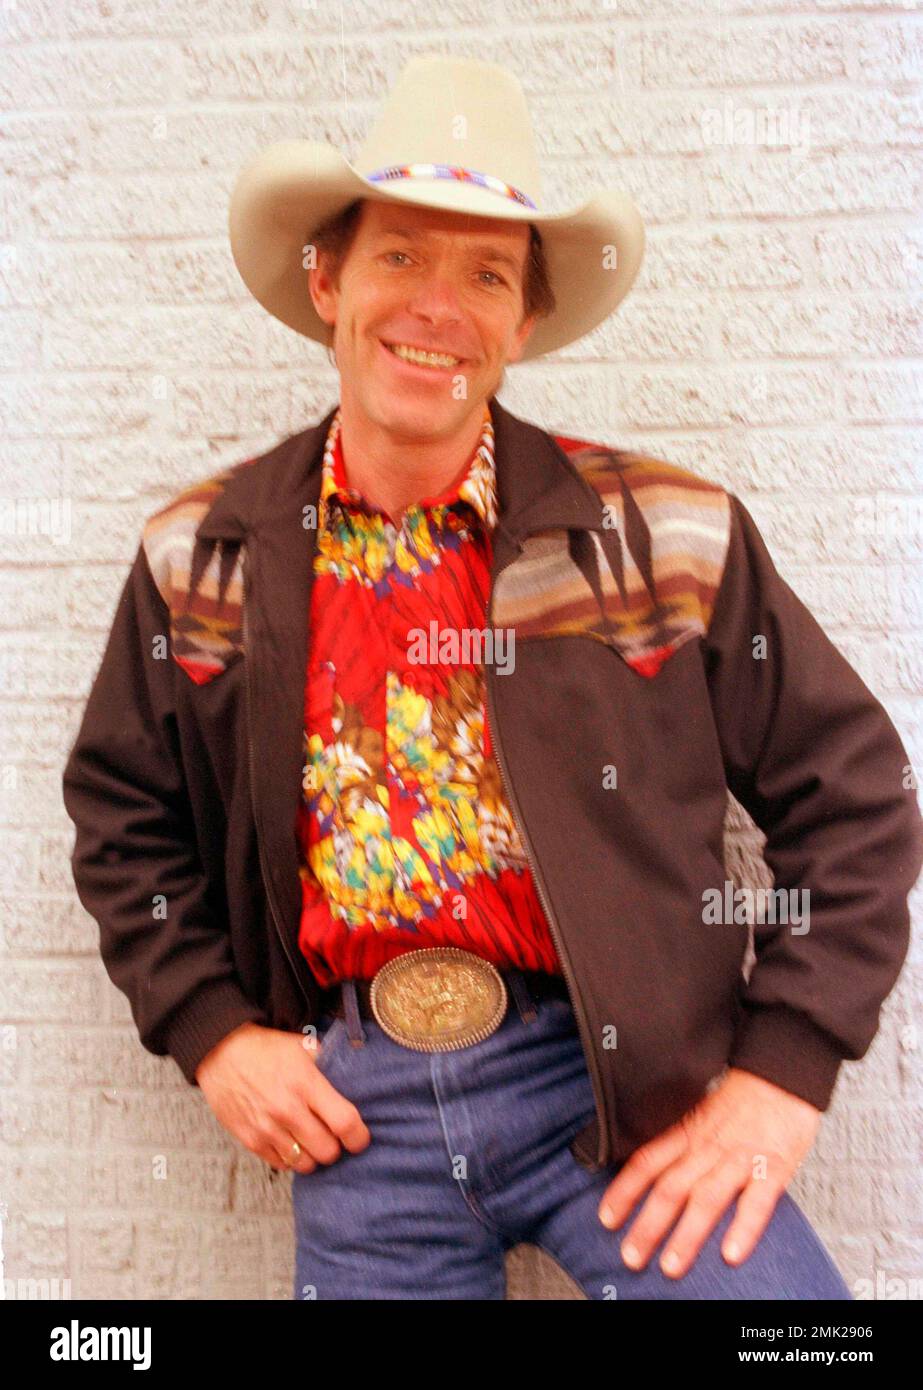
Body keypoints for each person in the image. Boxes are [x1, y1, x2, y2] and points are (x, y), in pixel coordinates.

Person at [62, 55, 923, 1301]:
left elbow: (856, 797)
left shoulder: (666, 537)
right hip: (360, 1109)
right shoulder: (202, 555)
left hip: (620, 1094)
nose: (437, 307)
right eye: (400, 257)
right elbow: (120, 820)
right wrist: (213, 1034)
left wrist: (780, 1078)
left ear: (522, 323)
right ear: (327, 281)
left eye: (485, 274)